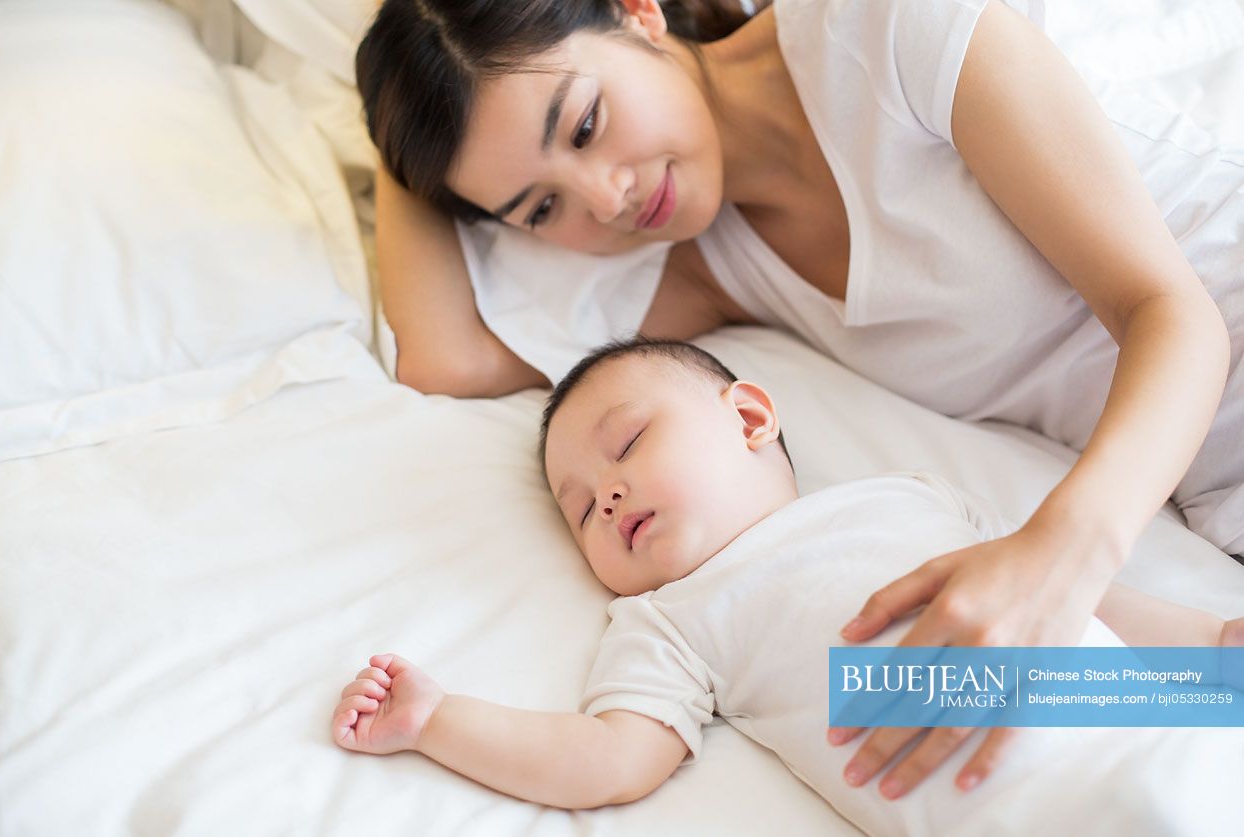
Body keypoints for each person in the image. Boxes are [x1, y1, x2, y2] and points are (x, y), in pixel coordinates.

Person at [355, 0, 1244, 785]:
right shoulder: (713, 267)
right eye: (539, 209)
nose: (606, 198)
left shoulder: (888, 30)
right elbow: (444, 359)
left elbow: (1172, 314)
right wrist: (404, 128)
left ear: (637, 11)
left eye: (585, 125)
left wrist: (1058, 553)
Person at [331, 337, 1244, 805]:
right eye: (579, 508)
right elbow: (611, 761)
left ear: (750, 416)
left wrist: (1213, 645)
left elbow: (1072, 595)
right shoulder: (671, 621)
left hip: (1175, 739)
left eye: (629, 444)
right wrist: (439, 720)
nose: (605, 496)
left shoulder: (905, 496)